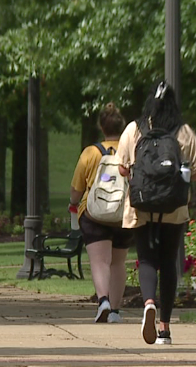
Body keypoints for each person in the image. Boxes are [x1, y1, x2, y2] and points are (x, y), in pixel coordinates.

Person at [118, 80, 196, 345]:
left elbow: (122, 166)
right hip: (174, 207)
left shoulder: (135, 129)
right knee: (168, 262)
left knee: (146, 259)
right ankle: (164, 327)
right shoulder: (185, 132)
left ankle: (148, 303)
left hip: (141, 205)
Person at [70, 103, 133, 323]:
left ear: (102, 127)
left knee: (100, 261)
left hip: (94, 212)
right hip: (123, 212)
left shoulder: (90, 152)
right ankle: (115, 311)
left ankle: (103, 301)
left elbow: (76, 189)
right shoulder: (130, 150)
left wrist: (73, 203)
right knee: (118, 262)